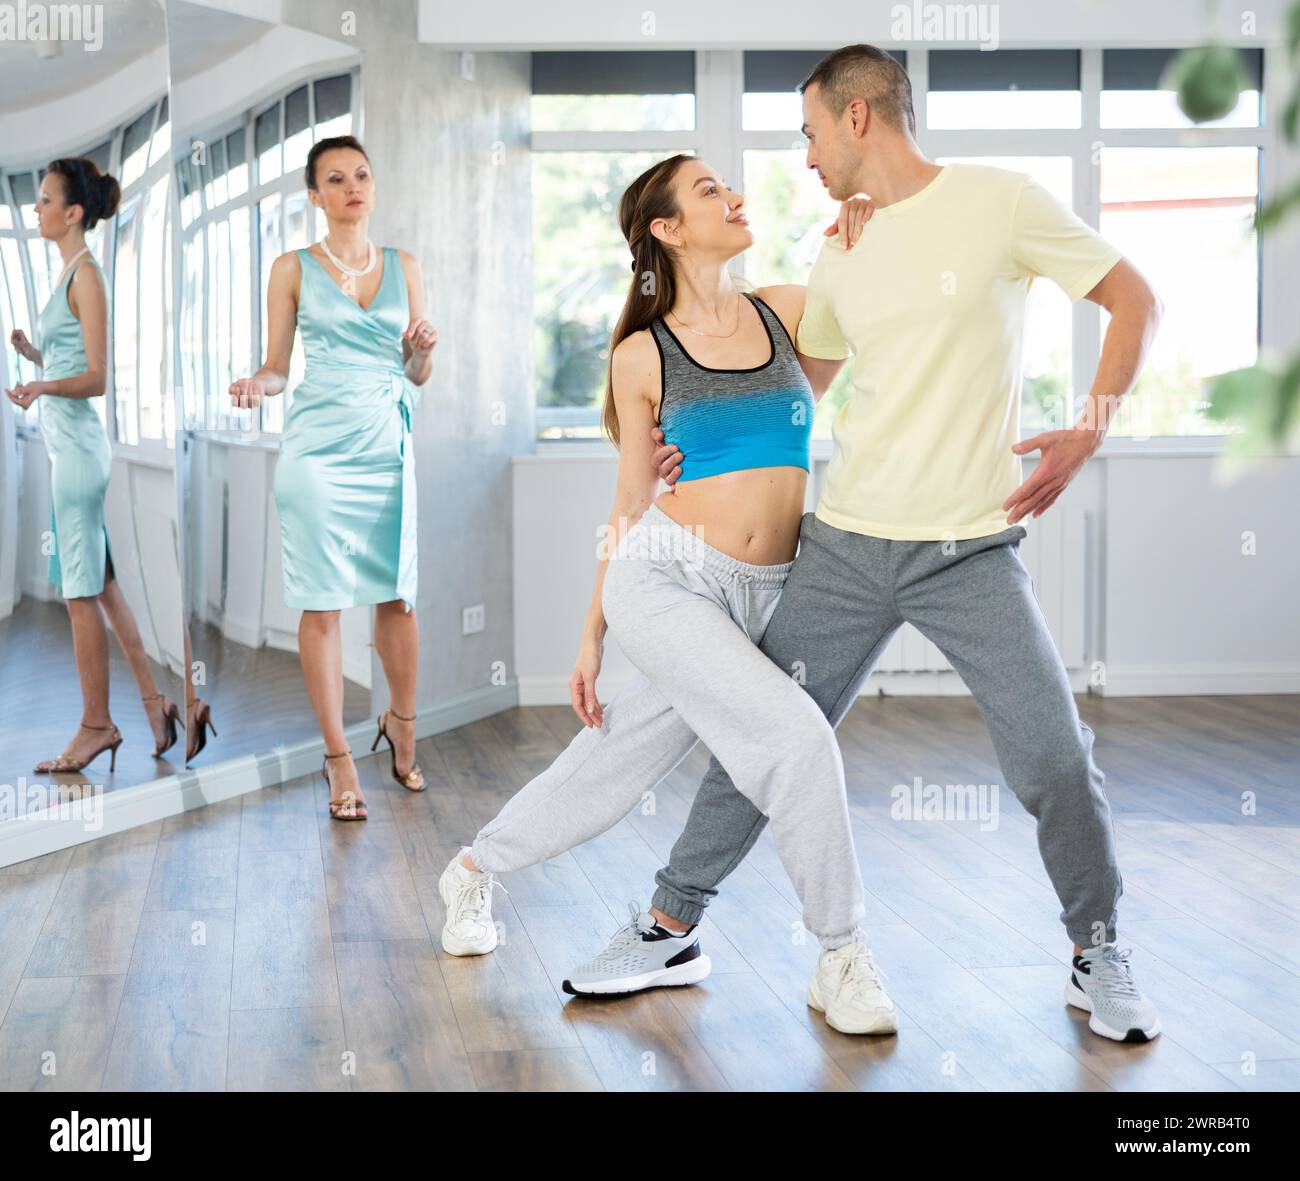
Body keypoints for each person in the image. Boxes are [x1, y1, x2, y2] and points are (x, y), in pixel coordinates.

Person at [636, 45, 1164, 1043]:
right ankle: (668, 921)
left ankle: (1096, 950)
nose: (804, 155)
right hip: (843, 544)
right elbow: (811, 385)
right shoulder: (842, 248)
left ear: (859, 116)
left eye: (807, 132)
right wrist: (691, 446)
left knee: (1053, 756)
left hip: (966, 547)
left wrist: (1088, 425)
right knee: (766, 734)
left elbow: (1134, 299)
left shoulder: (1000, 200)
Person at [439, 154, 898, 1035]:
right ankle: (841, 955)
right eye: (708, 191)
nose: (733, 195)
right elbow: (628, 500)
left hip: (775, 589)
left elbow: (835, 367)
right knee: (798, 740)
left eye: (729, 184)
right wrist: (591, 631)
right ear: (667, 230)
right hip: (668, 580)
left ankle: (470, 867)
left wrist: (852, 249)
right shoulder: (642, 354)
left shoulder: (789, 307)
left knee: (609, 769)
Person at [228, 136, 437, 820]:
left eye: (363, 175)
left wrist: (418, 354)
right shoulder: (291, 267)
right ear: (315, 196)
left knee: (397, 600)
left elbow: (417, 374)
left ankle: (400, 726)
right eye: (336, 179)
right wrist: (258, 384)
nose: (354, 186)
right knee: (321, 604)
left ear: (373, 187)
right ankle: (338, 758)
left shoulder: (406, 265)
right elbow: (279, 366)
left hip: (386, 445)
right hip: (318, 452)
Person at [6, 157, 181, 773]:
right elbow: (72, 356)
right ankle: (156, 706)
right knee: (102, 587)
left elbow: (99, 377)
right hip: (71, 452)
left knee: (79, 595)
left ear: (73, 212)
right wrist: (36, 353)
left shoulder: (87, 276)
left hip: (78, 458)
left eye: (47, 199)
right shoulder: (68, 276)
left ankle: (96, 725)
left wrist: (44, 387)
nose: (38, 208)